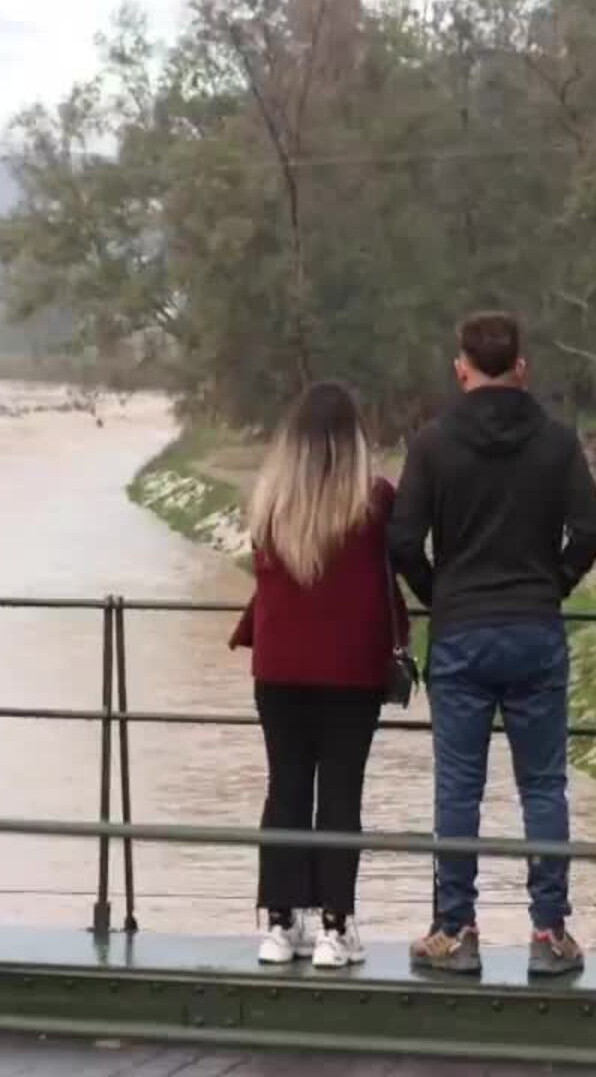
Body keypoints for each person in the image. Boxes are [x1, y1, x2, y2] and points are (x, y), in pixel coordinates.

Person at [389, 311, 596, 977]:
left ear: (461, 369)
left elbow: (401, 542)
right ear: (521, 368)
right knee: (544, 787)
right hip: (535, 630)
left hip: (460, 635)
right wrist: (553, 585)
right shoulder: (557, 442)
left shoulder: (431, 443)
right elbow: (591, 530)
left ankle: (456, 931)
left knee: (458, 789)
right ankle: (549, 936)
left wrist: (441, 596)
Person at [229, 382, 407, 970]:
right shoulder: (375, 499)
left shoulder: (269, 502)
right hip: (351, 671)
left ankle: (280, 927)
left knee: (284, 788)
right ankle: (337, 928)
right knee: (339, 794)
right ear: (353, 439)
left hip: (278, 669)